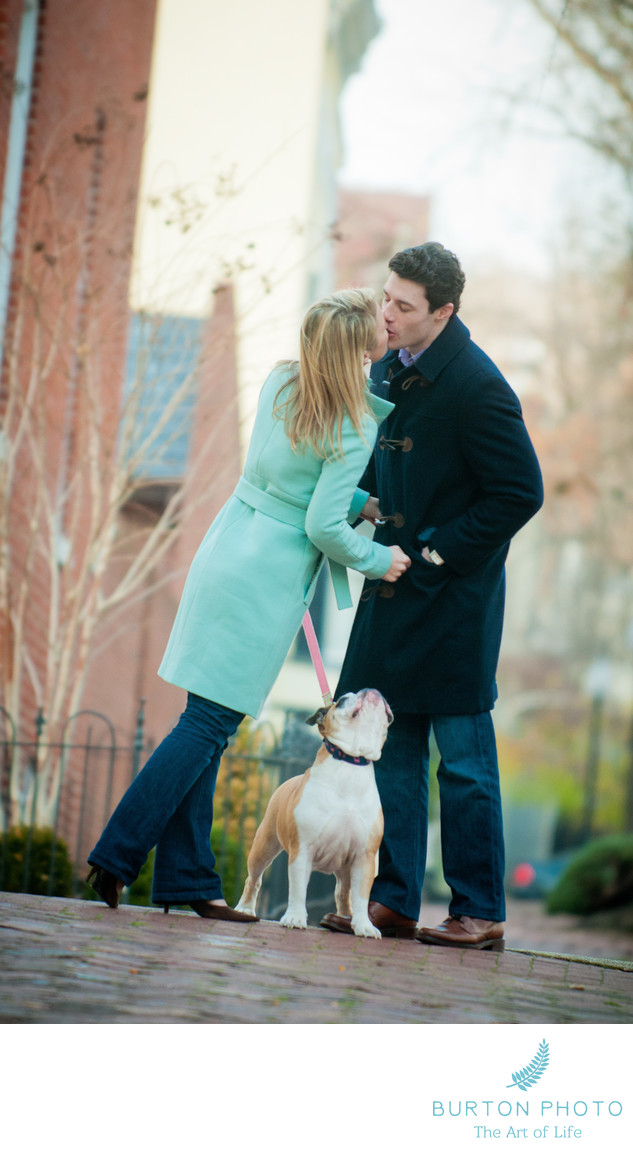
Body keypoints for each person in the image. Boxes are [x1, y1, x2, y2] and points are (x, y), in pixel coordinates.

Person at [86, 288, 410, 920]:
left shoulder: (282, 384)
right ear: (359, 347)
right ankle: (116, 854)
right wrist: (379, 558)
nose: (387, 324)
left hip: (228, 545)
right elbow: (319, 525)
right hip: (267, 576)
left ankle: (190, 881)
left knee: (205, 726)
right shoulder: (354, 424)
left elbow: (289, 478)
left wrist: (358, 504)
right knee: (206, 726)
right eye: (378, 320)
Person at [321, 243, 544, 950]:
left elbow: (520, 491)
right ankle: (390, 900)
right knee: (391, 753)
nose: (385, 314)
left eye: (402, 306)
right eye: (385, 298)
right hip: (391, 587)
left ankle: (479, 908)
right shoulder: (386, 369)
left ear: (443, 312)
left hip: (453, 599)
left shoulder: (478, 385)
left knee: (466, 762)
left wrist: (438, 550)